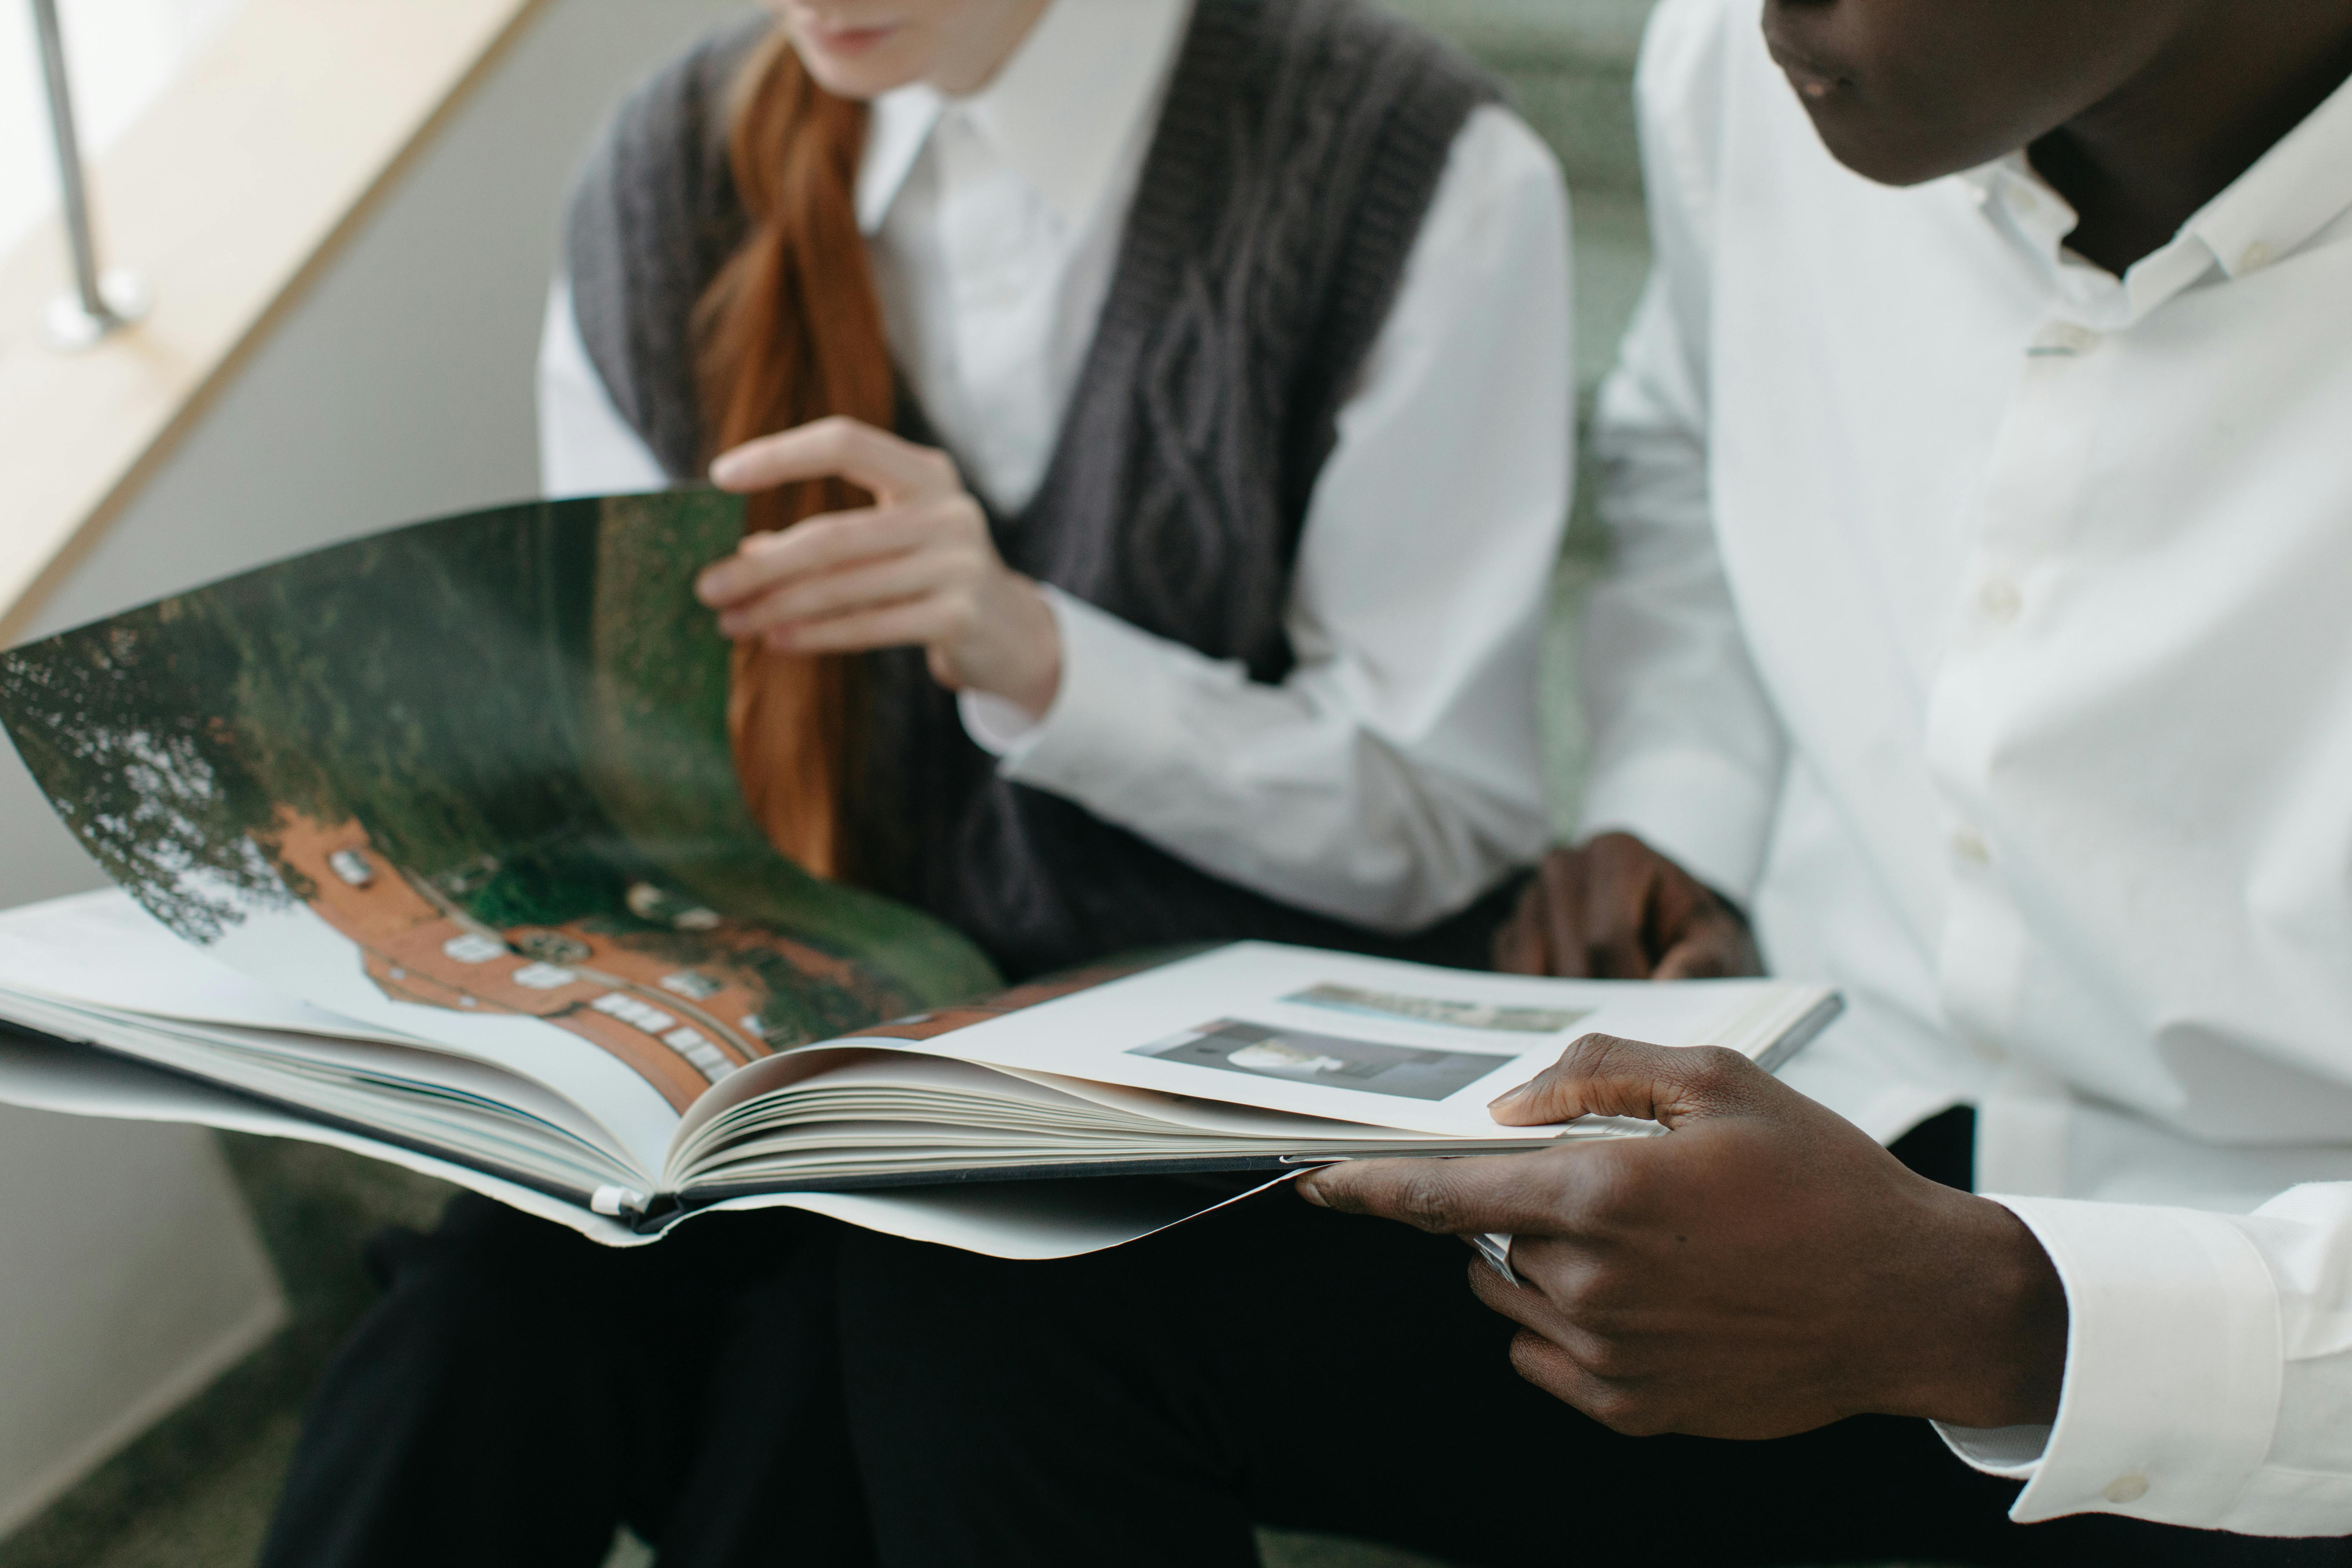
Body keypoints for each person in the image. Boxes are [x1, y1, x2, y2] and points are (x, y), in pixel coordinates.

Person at [828, 0, 2352, 1561]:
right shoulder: (1749, 71)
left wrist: (1986, 1312)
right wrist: (1675, 812)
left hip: (2251, 1334)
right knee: (993, 1263)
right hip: (1847, 1087)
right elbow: (1691, 457)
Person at [258, 0, 1574, 1563]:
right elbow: (631, 776)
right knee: (478, 1322)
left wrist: (1043, 660)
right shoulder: (665, 176)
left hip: (1216, 1062)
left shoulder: (1404, 170)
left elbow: (1442, 824)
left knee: (828, 1384)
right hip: (816, 1041)